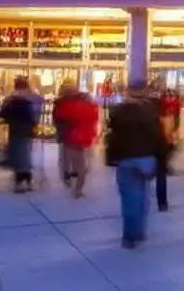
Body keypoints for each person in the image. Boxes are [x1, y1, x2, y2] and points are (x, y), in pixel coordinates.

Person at [104, 80, 165, 248]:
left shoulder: (117, 112)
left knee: (128, 197)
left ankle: (130, 235)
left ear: (127, 91)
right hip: (145, 157)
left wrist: (111, 158)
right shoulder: (150, 111)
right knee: (143, 195)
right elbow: (158, 137)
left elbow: (112, 137)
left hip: (125, 159)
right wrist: (160, 158)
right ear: (144, 91)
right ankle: (139, 231)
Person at [55, 82, 100, 198]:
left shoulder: (65, 105)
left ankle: (69, 179)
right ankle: (78, 187)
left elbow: (59, 118)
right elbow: (94, 117)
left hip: (71, 136)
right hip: (85, 135)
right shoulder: (88, 104)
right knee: (80, 162)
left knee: (68, 158)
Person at [0, 76, 42, 193]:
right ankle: (28, 179)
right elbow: (37, 111)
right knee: (26, 152)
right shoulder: (33, 96)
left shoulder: (10, 97)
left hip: (14, 128)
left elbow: (3, 113)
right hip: (28, 129)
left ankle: (19, 180)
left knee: (17, 152)